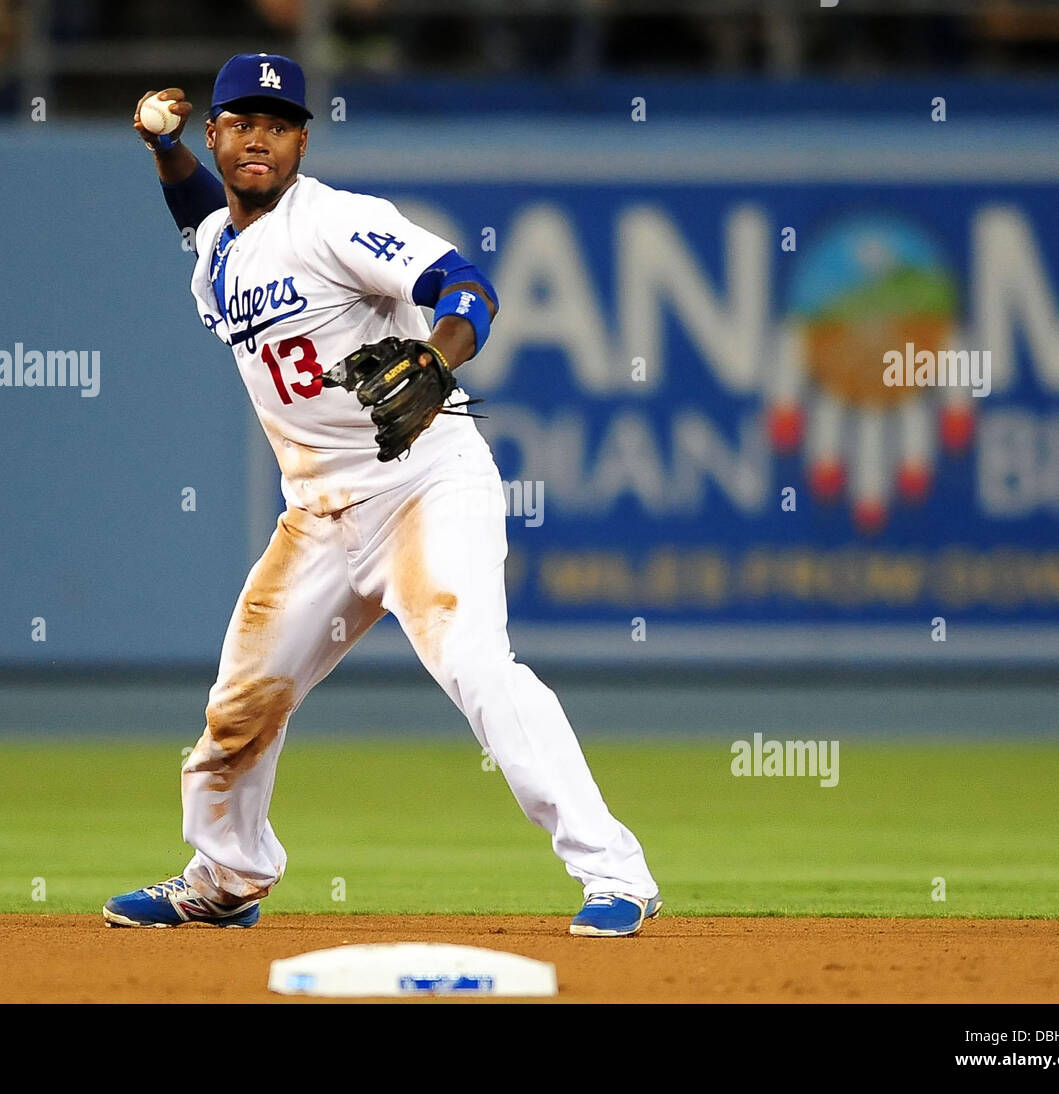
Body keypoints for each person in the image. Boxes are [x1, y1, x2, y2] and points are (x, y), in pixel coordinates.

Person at [103, 54, 660, 937]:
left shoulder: (338, 222)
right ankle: (227, 877)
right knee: (239, 704)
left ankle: (614, 876)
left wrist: (438, 357)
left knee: (477, 666)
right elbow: (204, 211)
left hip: (423, 482)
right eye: (242, 123)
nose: (261, 139)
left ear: (301, 141)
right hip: (318, 514)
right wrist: (161, 149)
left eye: (279, 125)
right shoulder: (216, 242)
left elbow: (469, 289)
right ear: (216, 134)